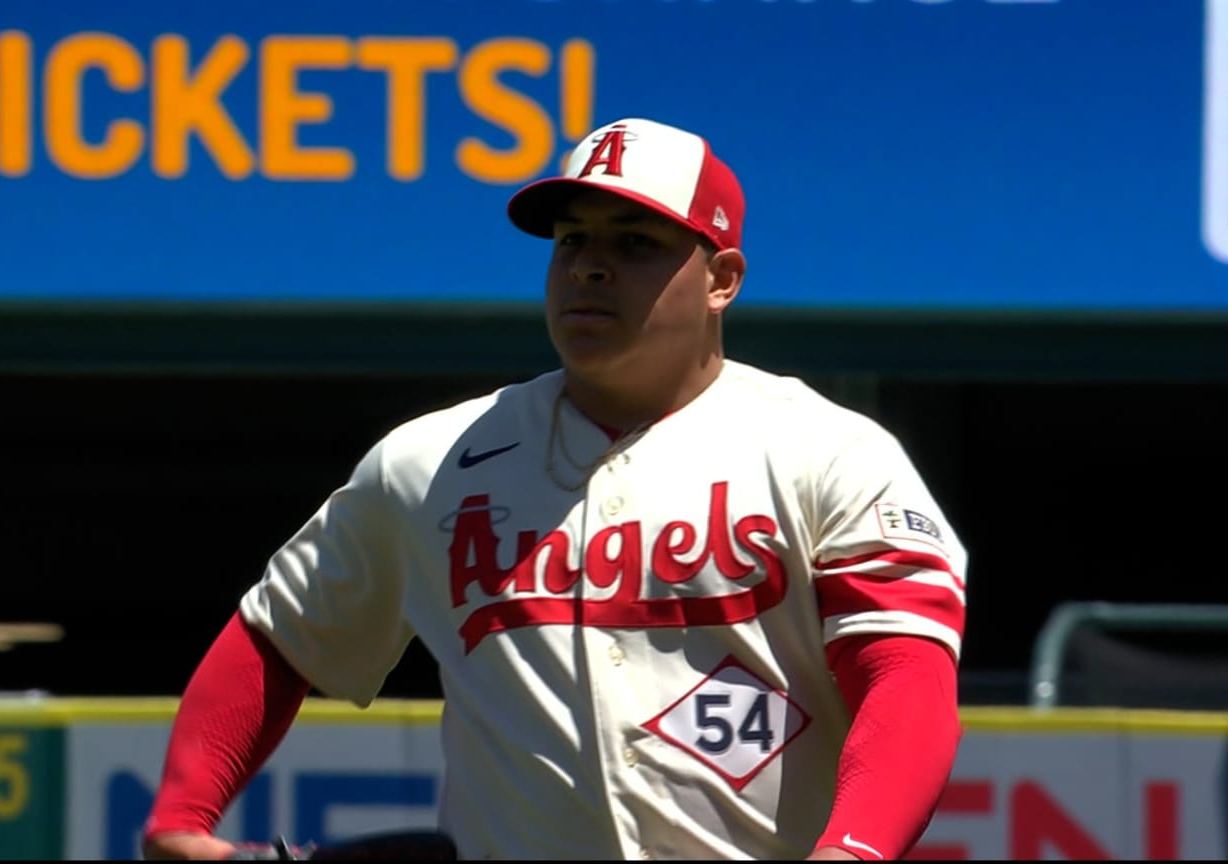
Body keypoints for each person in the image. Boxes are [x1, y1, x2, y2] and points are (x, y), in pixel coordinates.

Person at [142, 117, 967, 861]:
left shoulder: (827, 451)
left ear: (722, 279)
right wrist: (179, 818)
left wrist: (854, 852)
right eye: (572, 241)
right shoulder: (430, 461)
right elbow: (281, 635)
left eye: (635, 243)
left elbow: (904, 677)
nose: (591, 268)